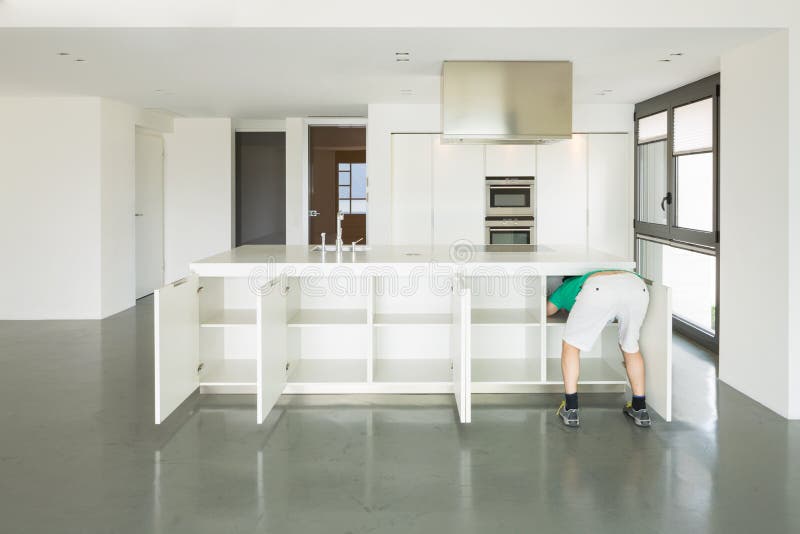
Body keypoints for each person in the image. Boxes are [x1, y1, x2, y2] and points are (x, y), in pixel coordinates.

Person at [547, 270, 651, 428]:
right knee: (630, 346)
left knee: (571, 345)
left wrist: (551, 298)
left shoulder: (566, 287)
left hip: (599, 290)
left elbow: (547, 310)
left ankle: (571, 408)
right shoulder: (591, 275)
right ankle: (640, 408)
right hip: (637, 287)